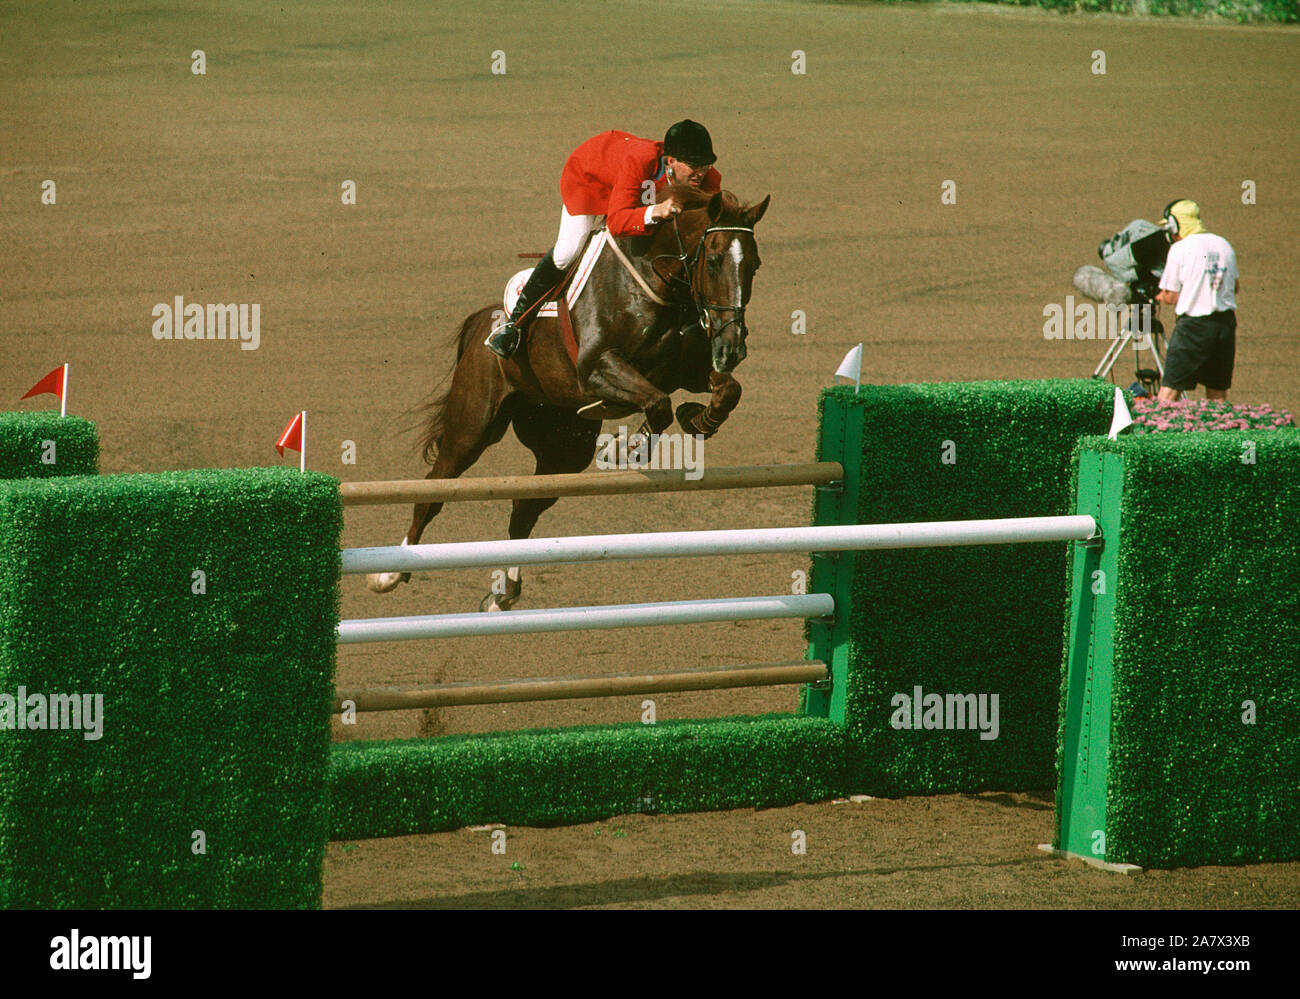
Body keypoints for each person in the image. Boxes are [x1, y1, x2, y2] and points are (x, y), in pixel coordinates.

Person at [485, 120, 722, 359]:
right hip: (589, 179)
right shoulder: (640, 162)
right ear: (670, 161)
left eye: (706, 165)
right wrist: (654, 212)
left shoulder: (708, 179)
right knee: (568, 251)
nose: (701, 173)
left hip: (628, 189)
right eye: (693, 165)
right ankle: (513, 324)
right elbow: (617, 222)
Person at [1154, 200, 1239, 402]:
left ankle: (1156, 432)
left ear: (1175, 225)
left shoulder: (1180, 249)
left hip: (1194, 327)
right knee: (1217, 394)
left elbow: (1171, 296)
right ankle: (1219, 432)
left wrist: (1158, 296)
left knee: (1169, 391)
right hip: (1225, 325)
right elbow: (1235, 287)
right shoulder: (1224, 244)